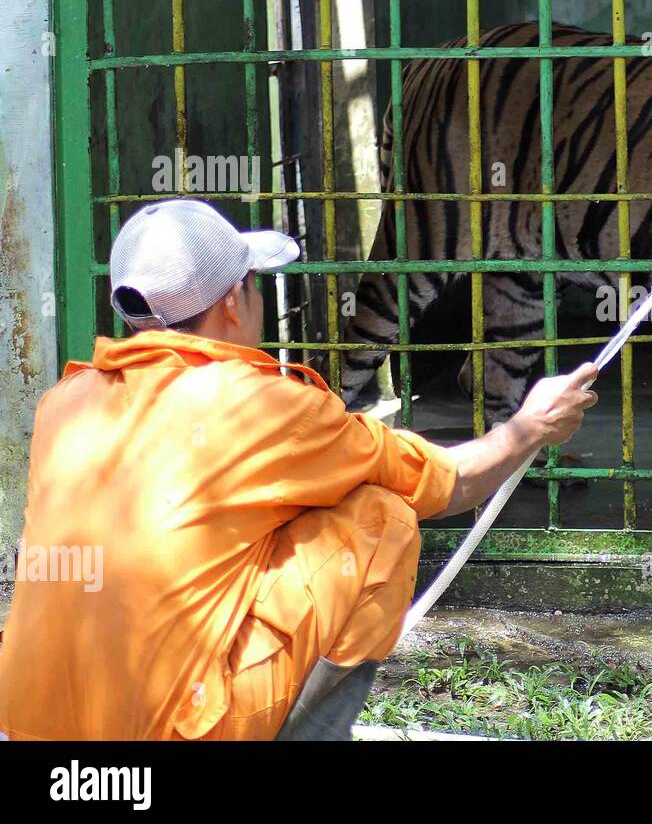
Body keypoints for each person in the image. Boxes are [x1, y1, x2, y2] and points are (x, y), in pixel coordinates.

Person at [0, 199, 597, 740]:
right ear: (233, 301)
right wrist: (531, 427)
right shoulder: (262, 405)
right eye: (254, 283)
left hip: (36, 733)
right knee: (381, 517)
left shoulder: (66, 401)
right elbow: (449, 483)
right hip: (171, 736)